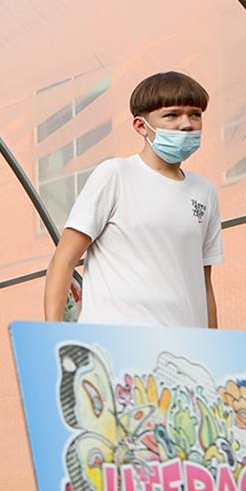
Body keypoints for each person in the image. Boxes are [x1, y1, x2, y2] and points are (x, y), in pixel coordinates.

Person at [42, 71, 223, 328]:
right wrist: (53, 336)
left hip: (184, 349)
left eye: (195, 114)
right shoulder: (115, 175)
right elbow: (63, 261)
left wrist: (214, 347)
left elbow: (204, 285)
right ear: (141, 126)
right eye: (172, 115)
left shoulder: (205, 192)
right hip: (118, 345)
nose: (186, 124)